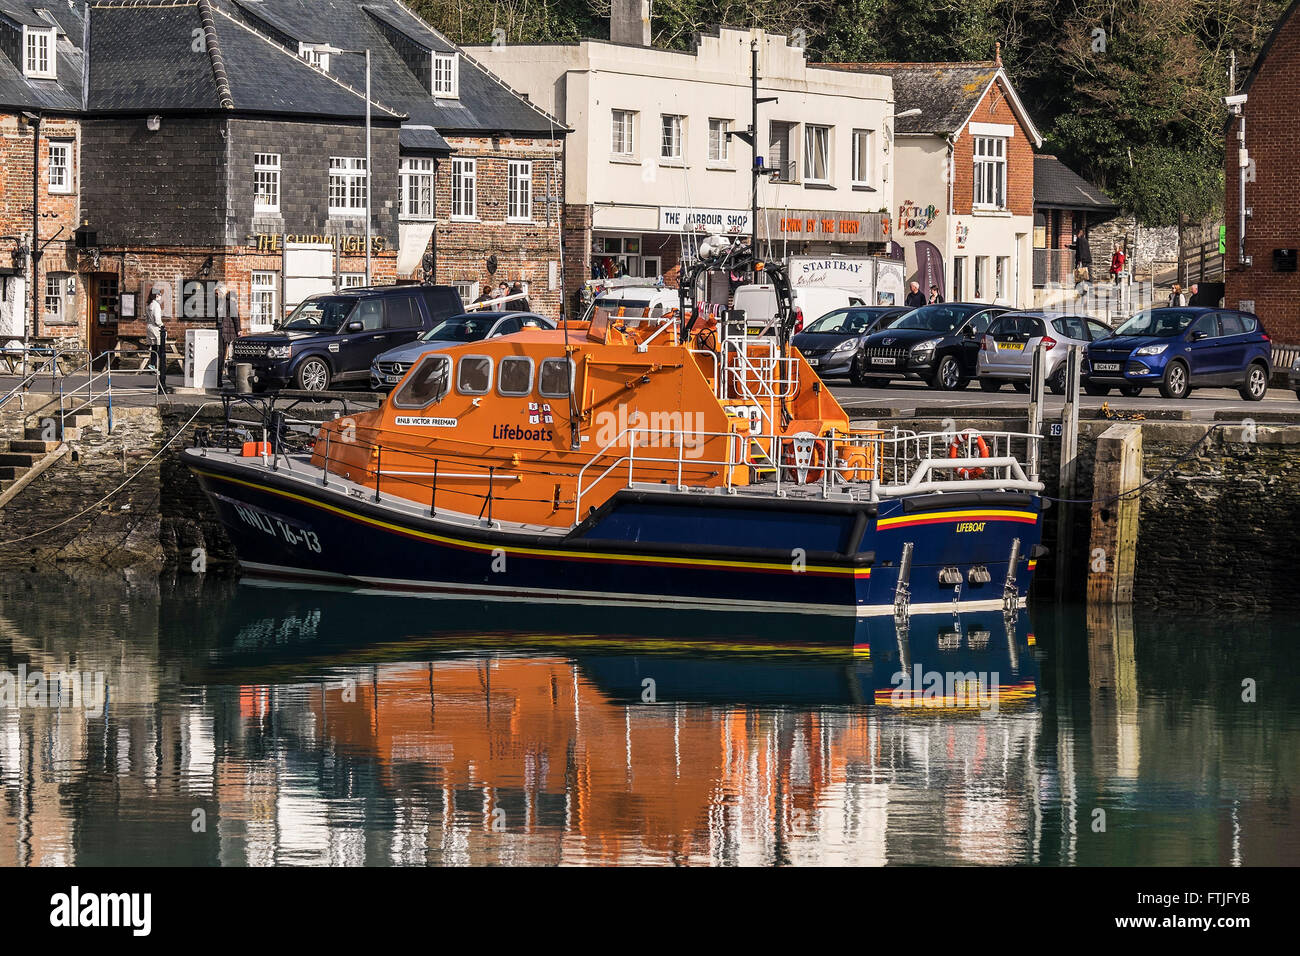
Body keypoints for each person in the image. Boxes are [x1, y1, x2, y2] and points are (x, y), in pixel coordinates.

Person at [145, 289, 167, 394]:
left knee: (153, 347)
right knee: (159, 347)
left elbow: (147, 317)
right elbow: (157, 319)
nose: (160, 296)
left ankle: (152, 363)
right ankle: (158, 366)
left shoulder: (148, 304)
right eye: (159, 294)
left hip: (149, 327)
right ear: (155, 295)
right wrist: (162, 325)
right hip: (155, 328)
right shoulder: (156, 305)